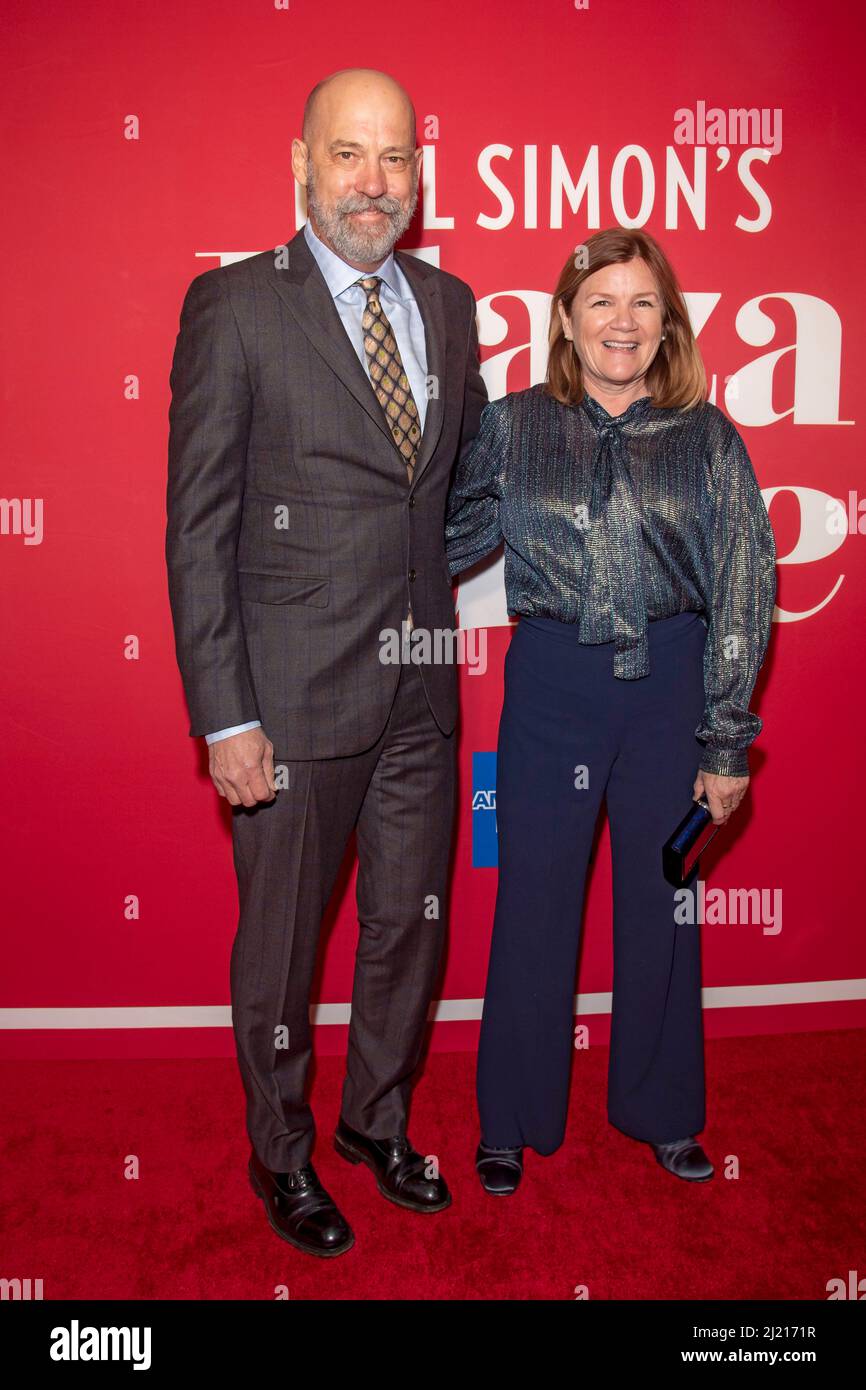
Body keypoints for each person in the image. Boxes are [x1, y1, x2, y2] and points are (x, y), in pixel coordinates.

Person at [166, 67, 488, 1256]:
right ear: (299, 165)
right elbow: (196, 527)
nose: (374, 181)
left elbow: (452, 493)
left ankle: (376, 1121)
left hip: (419, 687)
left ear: (419, 174)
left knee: (408, 923)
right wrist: (223, 714)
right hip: (289, 703)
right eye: (347, 154)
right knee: (285, 946)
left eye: (395, 157)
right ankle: (283, 1151)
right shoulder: (237, 306)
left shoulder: (450, 307)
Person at [445, 228, 776, 1194]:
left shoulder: (709, 437)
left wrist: (727, 737)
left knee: (667, 903)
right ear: (565, 319)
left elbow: (745, 584)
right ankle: (510, 1117)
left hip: (673, 695)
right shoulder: (511, 426)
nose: (620, 322)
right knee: (531, 901)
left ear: (667, 323)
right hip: (549, 692)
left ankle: (663, 1108)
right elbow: (442, 536)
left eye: (641, 304)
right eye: (600, 303)